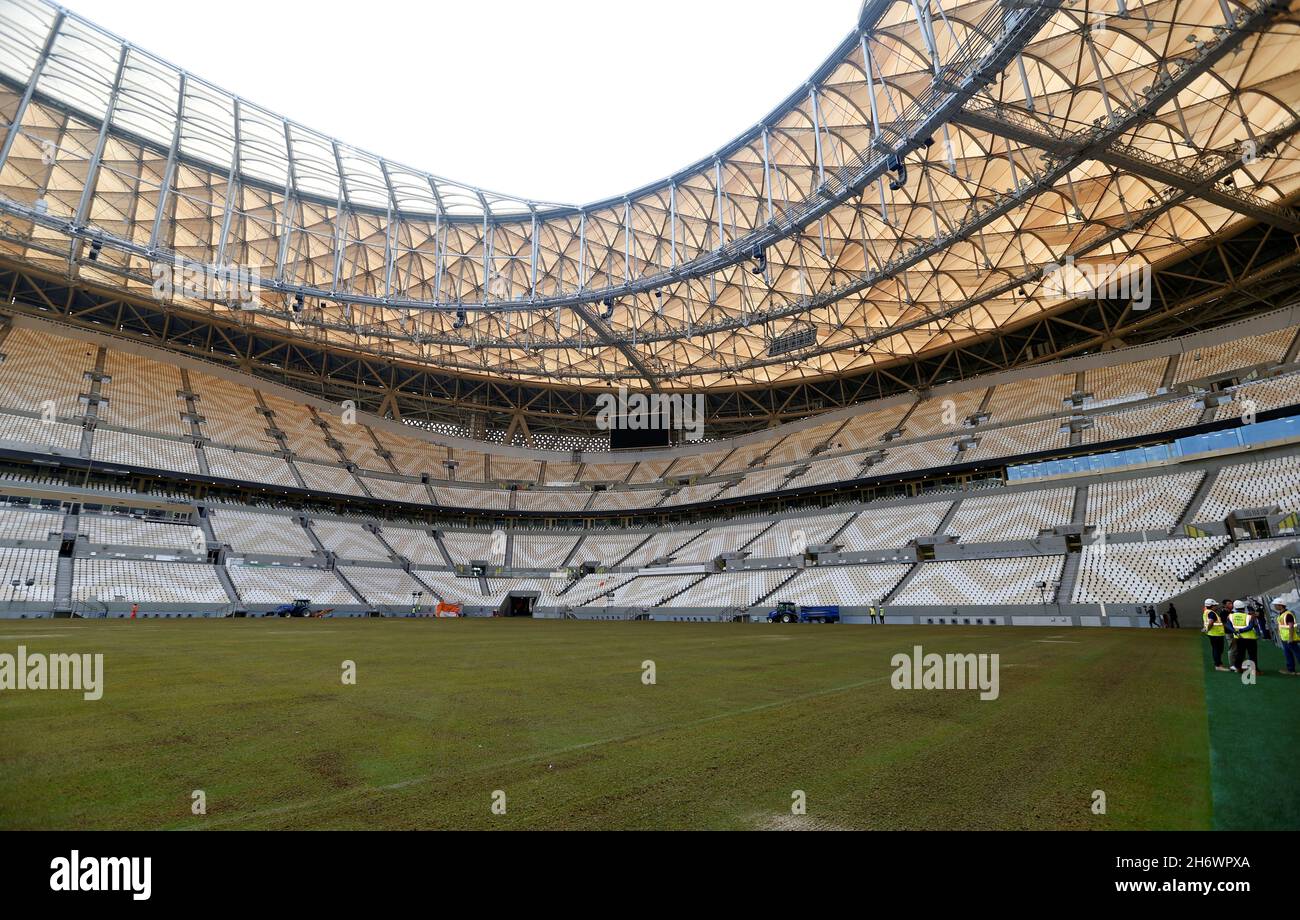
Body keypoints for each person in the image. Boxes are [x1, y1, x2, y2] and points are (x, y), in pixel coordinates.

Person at [1227, 600, 1260, 673]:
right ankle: (1254, 670)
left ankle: (1238, 668)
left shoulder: (1230, 616)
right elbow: (1251, 626)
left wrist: (1235, 631)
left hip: (1239, 638)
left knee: (1240, 653)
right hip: (1250, 638)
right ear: (1243, 608)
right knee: (1252, 654)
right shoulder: (1249, 616)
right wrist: (1241, 630)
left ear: (1235, 608)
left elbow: (1228, 625)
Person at [1274, 599, 1299, 677]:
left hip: (1290, 639)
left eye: (1276, 605)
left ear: (1280, 605)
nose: (1274, 606)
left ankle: (1291, 669)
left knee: (1298, 654)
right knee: (1288, 654)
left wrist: (1291, 638)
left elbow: (1291, 626)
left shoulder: (1287, 615)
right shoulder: (1281, 615)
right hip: (1285, 639)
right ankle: (1291, 669)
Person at [1202, 598, 1227, 671]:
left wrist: (1206, 630)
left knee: (1216, 649)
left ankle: (1218, 664)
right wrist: (1207, 629)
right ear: (1211, 606)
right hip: (1216, 634)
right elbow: (1210, 622)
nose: (1216, 606)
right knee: (1218, 650)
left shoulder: (1206, 611)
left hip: (1213, 634)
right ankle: (1218, 665)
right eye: (1215, 605)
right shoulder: (1211, 613)